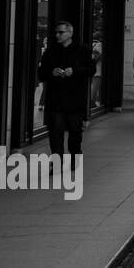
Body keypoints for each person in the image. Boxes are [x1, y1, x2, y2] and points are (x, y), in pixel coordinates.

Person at [37, 21, 96, 168]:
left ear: (70, 33)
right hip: (55, 99)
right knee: (55, 133)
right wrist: (52, 72)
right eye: (56, 32)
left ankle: (75, 156)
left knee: (75, 132)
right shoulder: (51, 51)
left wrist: (75, 71)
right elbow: (41, 73)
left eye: (61, 32)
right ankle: (57, 161)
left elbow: (91, 69)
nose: (57, 35)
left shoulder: (83, 50)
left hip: (75, 99)